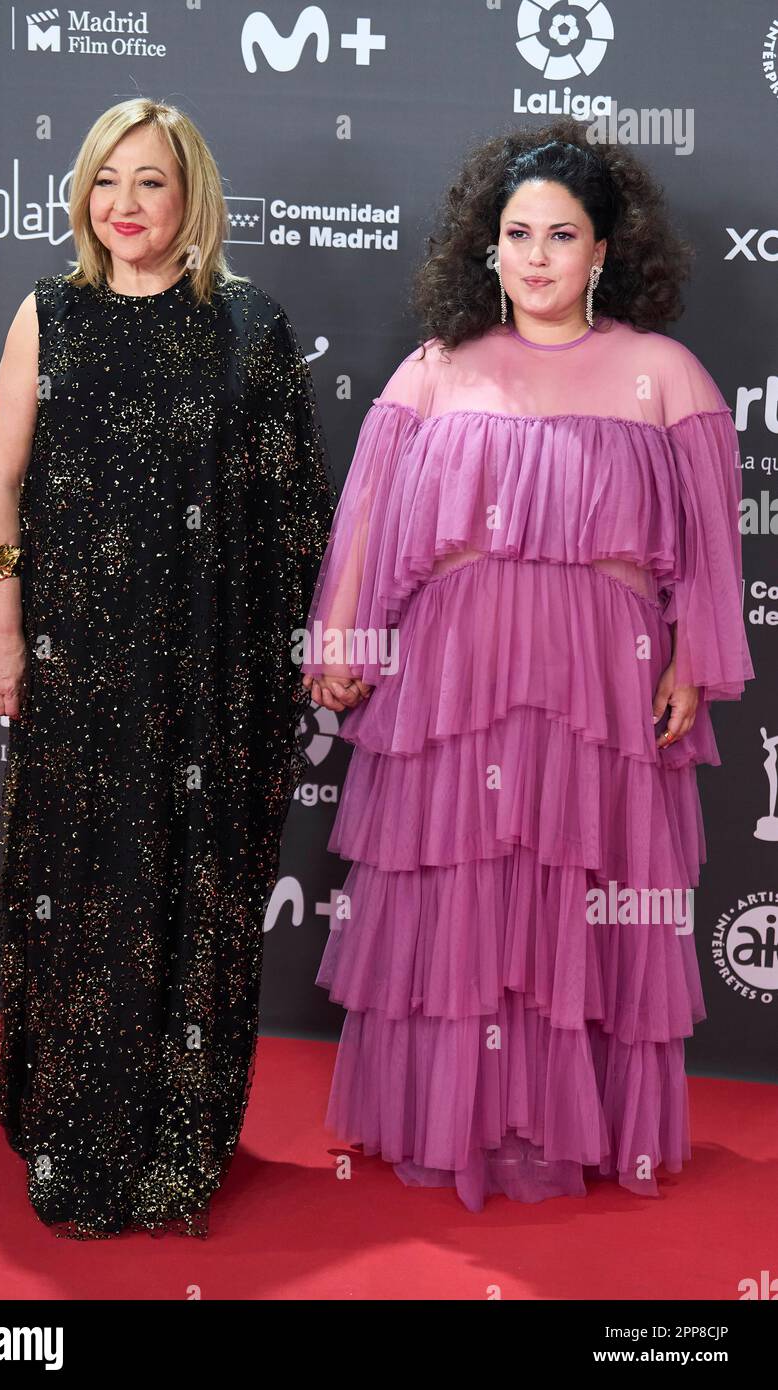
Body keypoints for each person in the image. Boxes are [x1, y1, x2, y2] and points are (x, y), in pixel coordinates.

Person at [300, 118, 754, 1212]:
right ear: (485, 248)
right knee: (458, 895)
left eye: (563, 233)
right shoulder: (435, 368)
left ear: (606, 250)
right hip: (450, 685)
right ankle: (454, 1119)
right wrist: (346, 641)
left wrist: (689, 662)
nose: (538, 256)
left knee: (582, 898)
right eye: (517, 233)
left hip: (600, 683)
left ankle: (569, 1124)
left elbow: (705, 547)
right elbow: (364, 527)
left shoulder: (663, 375)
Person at [0, 98, 334, 1238]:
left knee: (190, 890)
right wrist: (1, 629)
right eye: (105, 182)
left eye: (150, 184)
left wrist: (303, 653)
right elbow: (1, 488)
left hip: (206, 672)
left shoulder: (248, 326)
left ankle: (177, 1133)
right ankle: (76, 1121)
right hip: (77, 661)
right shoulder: (47, 314)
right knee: (82, 888)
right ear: (81, 194)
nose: (123, 206)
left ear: (192, 202)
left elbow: (291, 517)